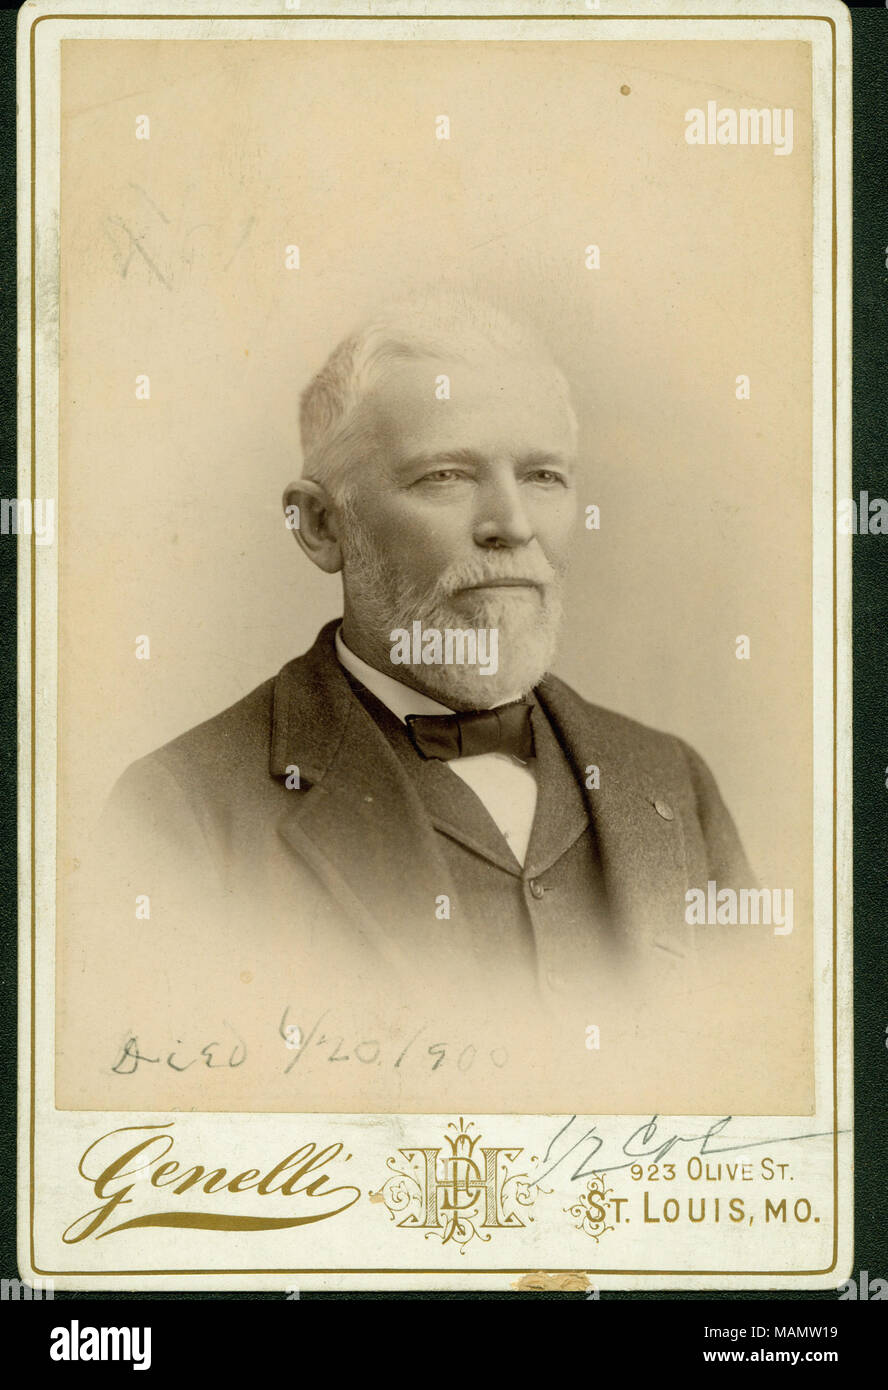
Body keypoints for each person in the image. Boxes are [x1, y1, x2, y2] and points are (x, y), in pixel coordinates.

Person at [104, 290, 754, 1007]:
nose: (511, 523)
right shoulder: (181, 813)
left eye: (543, 476)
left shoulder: (671, 781)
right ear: (321, 525)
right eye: (445, 476)